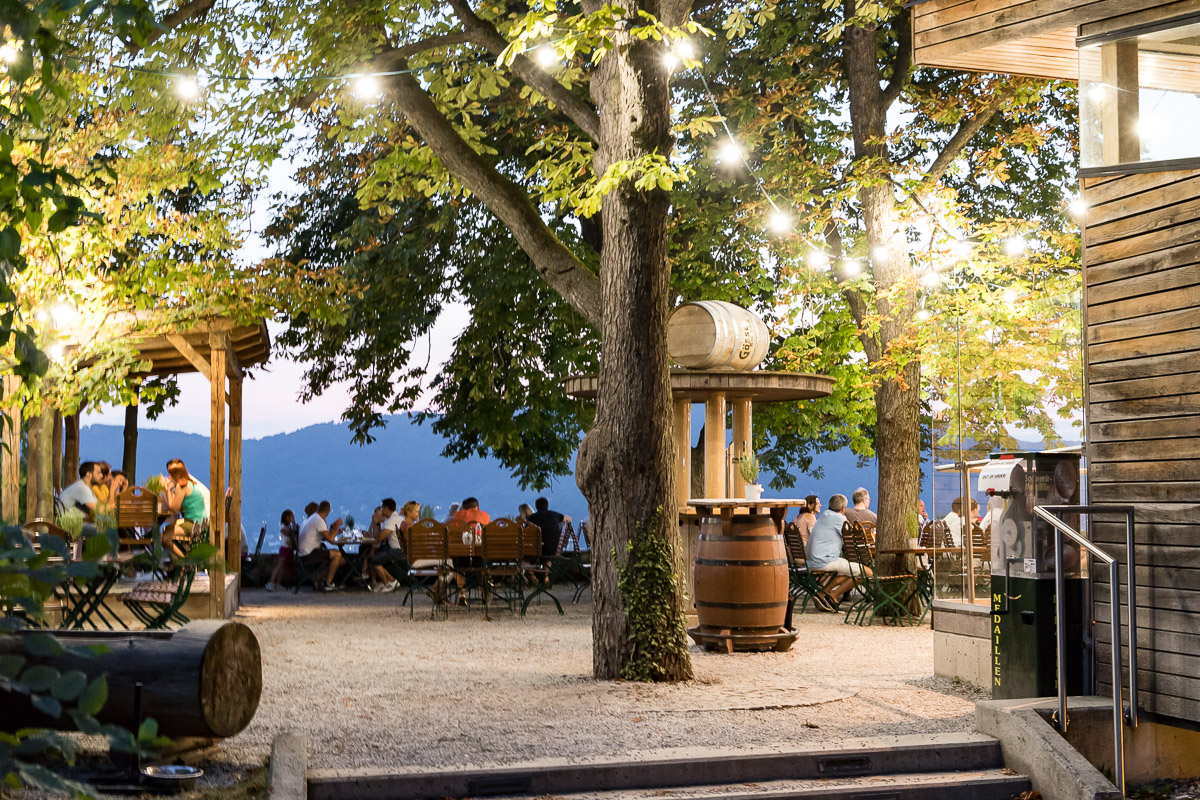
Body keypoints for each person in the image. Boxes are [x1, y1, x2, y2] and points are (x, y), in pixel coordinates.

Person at [805, 493, 872, 611]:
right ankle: (831, 595)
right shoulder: (838, 519)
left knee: (847, 572)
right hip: (825, 561)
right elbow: (854, 538)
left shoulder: (823, 516)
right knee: (867, 572)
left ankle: (823, 594)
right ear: (843, 508)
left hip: (812, 561)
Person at [365, 498, 415, 592]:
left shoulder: (393, 519)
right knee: (373, 555)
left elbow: (380, 538)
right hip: (397, 550)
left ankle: (390, 582)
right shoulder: (391, 519)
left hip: (398, 551)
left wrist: (376, 523)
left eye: (382, 508)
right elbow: (378, 538)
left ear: (386, 509)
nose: (381, 511)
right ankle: (387, 582)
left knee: (373, 560)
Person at [163, 459, 210, 557]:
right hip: (201, 522)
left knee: (164, 538)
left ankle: (185, 561)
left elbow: (173, 508)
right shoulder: (189, 482)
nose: (169, 477)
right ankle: (182, 560)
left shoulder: (182, 486)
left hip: (195, 524)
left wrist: (168, 490)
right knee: (166, 531)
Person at [297, 500, 345, 591]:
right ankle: (328, 582)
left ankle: (317, 578)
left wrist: (335, 530)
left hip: (303, 553)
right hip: (309, 554)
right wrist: (336, 526)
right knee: (337, 555)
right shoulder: (318, 520)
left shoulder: (312, 518)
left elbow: (324, 537)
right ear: (328, 511)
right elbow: (330, 540)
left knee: (342, 560)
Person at [265, 510, 300, 592]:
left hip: (289, 548)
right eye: (292, 517)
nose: (293, 519)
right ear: (287, 518)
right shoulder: (282, 526)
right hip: (284, 548)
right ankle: (271, 582)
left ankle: (278, 583)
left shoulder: (289, 526)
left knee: (283, 567)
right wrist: (294, 528)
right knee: (279, 566)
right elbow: (288, 534)